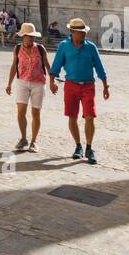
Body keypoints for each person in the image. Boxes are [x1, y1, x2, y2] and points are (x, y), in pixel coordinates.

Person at [48, 18, 109, 164]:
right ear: (72, 32)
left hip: (88, 86)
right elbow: (56, 66)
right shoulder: (63, 46)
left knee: (90, 116)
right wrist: (52, 82)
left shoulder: (91, 47)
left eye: (84, 32)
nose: (83, 34)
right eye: (80, 32)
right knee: (72, 117)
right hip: (70, 85)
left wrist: (106, 86)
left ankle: (89, 148)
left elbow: (99, 67)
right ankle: (78, 146)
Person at [5, 23, 54, 153]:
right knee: (21, 111)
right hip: (22, 82)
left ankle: (34, 141)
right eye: (29, 36)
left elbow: (48, 66)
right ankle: (23, 138)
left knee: (35, 113)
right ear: (23, 36)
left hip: (38, 83)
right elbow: (14, 66)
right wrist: (9, 83)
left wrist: (52, 82)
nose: (31, 39)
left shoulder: (40, 48)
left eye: (33, 37)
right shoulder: (17, 48)